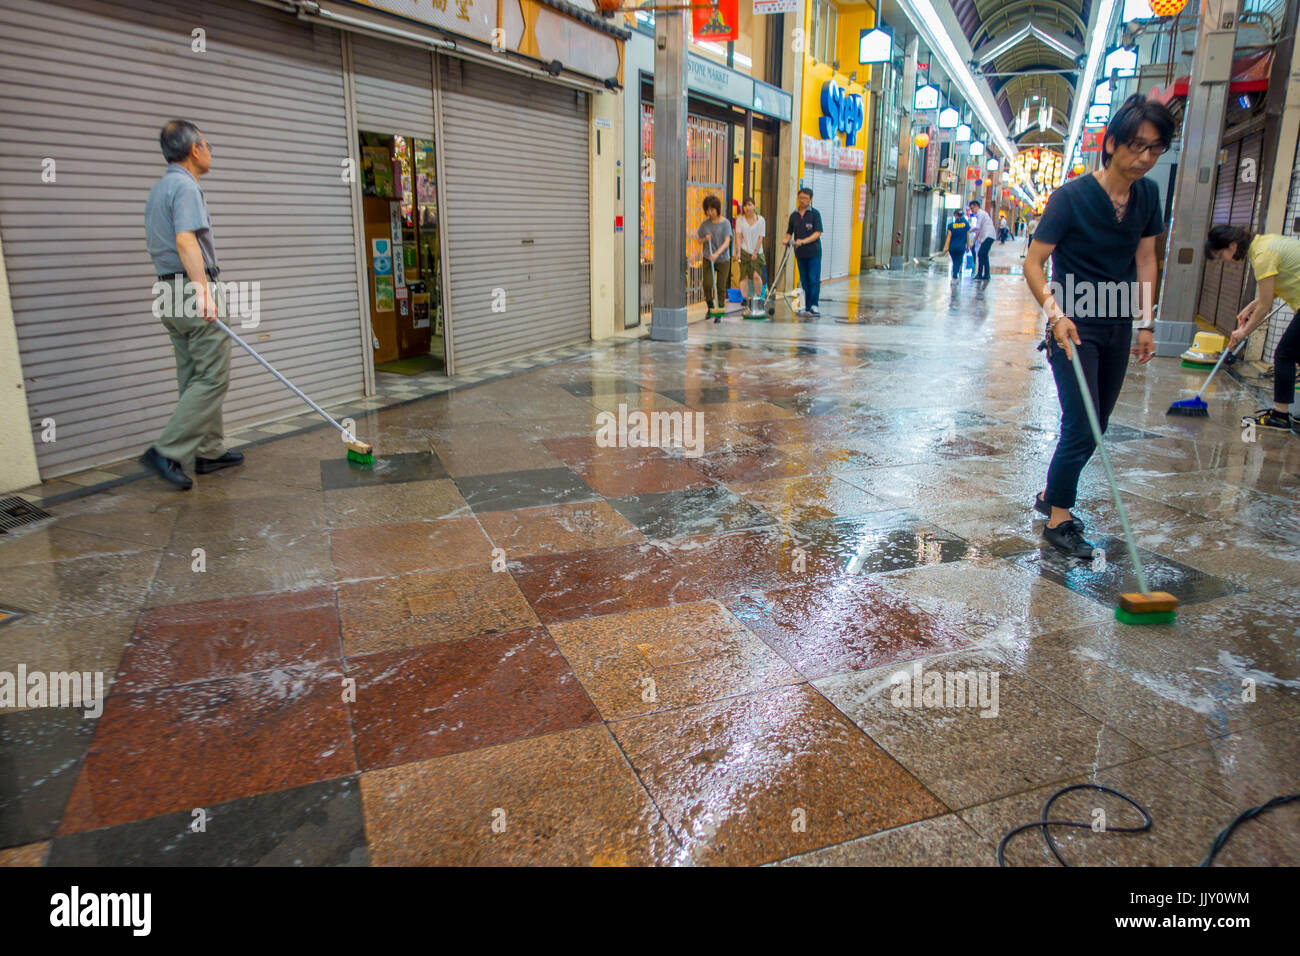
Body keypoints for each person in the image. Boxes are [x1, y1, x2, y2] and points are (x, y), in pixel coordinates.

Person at [1023, 94, 1173, 558]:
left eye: (1155, 149)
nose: (1144, 157)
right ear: (1110, 144)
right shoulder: (1070, 198)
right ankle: (1059, 519)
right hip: (1073, 325)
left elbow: (1147, 258)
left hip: (1118, 323)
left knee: (1098, 424)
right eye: (1136, 146)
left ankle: (1052, 496)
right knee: (1081, 424)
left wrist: (1146, 322)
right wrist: (1056, 313)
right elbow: (1033, 262)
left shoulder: (1148, 195)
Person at [140, 120, 242, 490]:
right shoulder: (185, 187)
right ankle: (165, 452)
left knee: (193, 374)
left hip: (168, 291)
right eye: (207, 143)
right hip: (188, 289)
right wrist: (203, 292)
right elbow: (185, 242)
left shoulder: (160, 188)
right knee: (213, 376)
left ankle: (208, 451)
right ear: (195, 149)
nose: (209, 150)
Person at [1206, 225, 1300, 433]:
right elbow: (1273, 288)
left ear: (1232, 245)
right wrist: (1250, 307)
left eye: (1223, 254)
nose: (1227, 260)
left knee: (1284, 354)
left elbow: (1265, 306)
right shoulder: (1265, 243)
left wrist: (1243, 332)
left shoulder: (1262, 256)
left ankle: (1280, 416)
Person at [786, 187, 823, 316]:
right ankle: (805, 305)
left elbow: (818, 233)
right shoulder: (794, 215)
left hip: (814, 253)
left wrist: (803, 241)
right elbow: (789, 232)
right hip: (800, 253)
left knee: (813, 278)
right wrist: (786, 240)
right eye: (801, 198)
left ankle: (814, 304)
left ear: (811, 200)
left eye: (805, 198)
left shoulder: (815, 214)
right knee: (804, 279)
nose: (802, 200)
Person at [697, 194, 733, 322]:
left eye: (712, 209)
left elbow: (727, 241)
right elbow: (699, 240)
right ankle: (710, 306)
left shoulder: (726, 223)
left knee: (721, 286)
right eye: (707, 210)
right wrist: (704, 239)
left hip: (723, 259)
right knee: (707, 284)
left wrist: (717, 254)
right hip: (708, 258)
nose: (709, 212)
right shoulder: (705, 224)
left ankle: (719, 312)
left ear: (717, 209)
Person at [736, 196, 766, 302]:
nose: (747, 208)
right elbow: (739, 236)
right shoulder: (740, 220)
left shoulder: (761, 220)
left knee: (756, 275)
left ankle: (758, 297)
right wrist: (738, 252)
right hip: (744, 251)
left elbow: (760, 237)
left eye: (749, 205)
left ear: (754, 206)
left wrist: (755, 252)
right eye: (745, 205)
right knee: (743, 276)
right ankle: (744, 298)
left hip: (757, 252)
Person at [968, 200, 996, 280]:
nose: (972, 211)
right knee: (984, 255)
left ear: (976, 206)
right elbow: (978, 231)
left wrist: (969, 231)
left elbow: (977, 227)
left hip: (988, 236)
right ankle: (986, 275)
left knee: (981, 254)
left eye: (972, 208)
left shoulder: (980, 214)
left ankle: (980, 274)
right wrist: (973, 241)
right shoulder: (981, 214)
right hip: (989, 236)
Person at [942, 209, 970, 280]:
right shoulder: (966, 224)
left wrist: (945, 248)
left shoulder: (951, 225)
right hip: (961, 247)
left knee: (955, 261)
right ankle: (954, 275)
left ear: (955, 215)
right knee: (959, 261)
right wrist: (968, 246)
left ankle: (955, 273)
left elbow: (948, 237)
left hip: (952, 247)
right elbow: (967, 236)